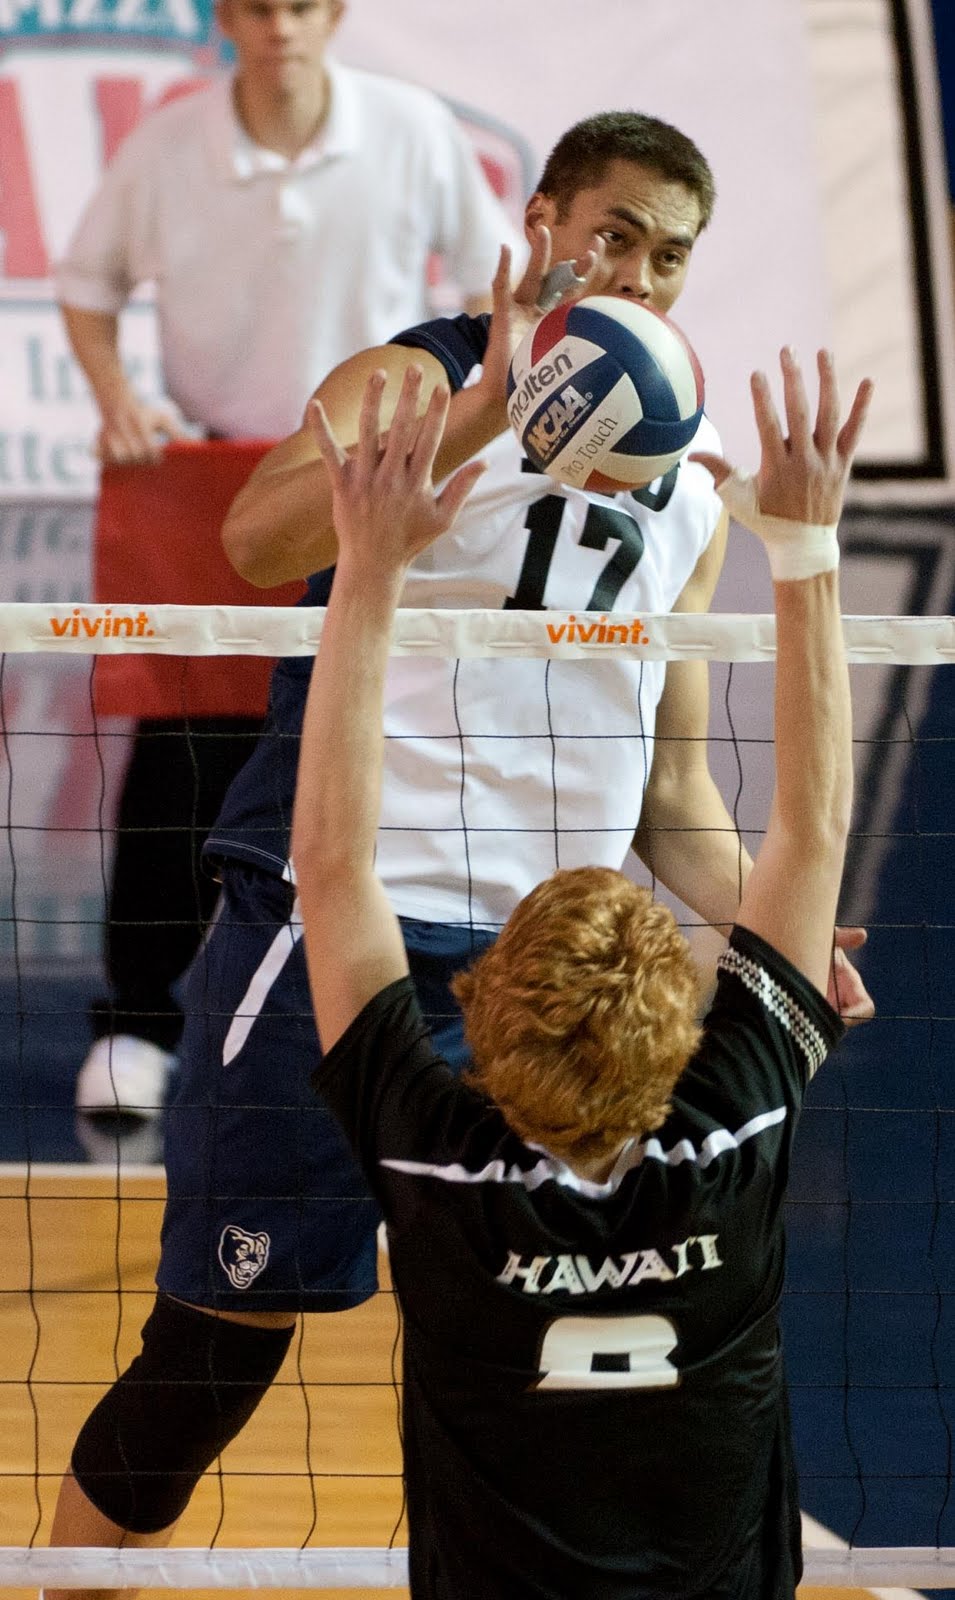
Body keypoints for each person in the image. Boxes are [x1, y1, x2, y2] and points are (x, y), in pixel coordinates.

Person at [48, 110, 872, 1598]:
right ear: (544, 219)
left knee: (543, 1357)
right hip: (342, 932)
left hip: (544, 978)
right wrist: (491, 407)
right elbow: (249, 543)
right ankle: (58, 1578)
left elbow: (672, 782)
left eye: (668, 256)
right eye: (610, 234)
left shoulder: (683, 488)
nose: (635, 272)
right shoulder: (413, 378)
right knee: (216, 1356)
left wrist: (768, 931)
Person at [293, 348, 873, 1597]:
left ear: (479, 1020)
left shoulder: (434, 1160)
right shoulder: (736, 1124)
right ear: (683, 1032)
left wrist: (367, 563)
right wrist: (808, 550)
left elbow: (329, 871)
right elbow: (813, 832)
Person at [55, 0, 517, 1120]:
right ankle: (138, 1026)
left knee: (362, 737)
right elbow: (86, 285)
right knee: (181, 748)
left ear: (335, 15)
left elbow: (481, 285)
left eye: (301, 5)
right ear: (225, 18)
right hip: (220, 479)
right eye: (258, 6)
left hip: (372, 482)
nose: (280, 28)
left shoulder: (411, 129)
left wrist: (456, 414)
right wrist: (122, 400)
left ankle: (380, 1017)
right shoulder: (167, 145)